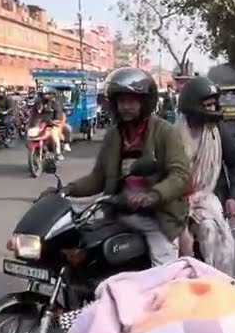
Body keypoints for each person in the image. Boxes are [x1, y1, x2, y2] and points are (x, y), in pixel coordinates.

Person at [62, 67, 191, 265]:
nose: (126, 107)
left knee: (162, 272)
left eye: (132, 101)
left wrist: (153, 195)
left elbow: (180, 175)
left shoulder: (165, 132)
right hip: (119, 212)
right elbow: (98, 178)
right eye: (121, 101)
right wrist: (66, 190)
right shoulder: (113, 135)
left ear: (145, 102)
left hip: (157, 217)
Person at [175, 76, 235, 274]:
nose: (213, 109)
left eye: (214, 104)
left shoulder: (218, 131)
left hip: (211, 199)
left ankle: (218, 281)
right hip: (176, 201)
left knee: (212, 232)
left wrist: (234, 197)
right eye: (207, 105)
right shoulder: (172, 134)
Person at [28, 87, 68, 160]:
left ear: (51, 95)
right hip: (41, 124)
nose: (45, 96)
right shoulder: (38, 104)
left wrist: (55, 121)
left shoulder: (55, 104)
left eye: (47, 94)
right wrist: (30, 123)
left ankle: (58, 153)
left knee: (53, 134)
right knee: (30, 133)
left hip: (53, 124)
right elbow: (33, 115)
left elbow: (59, 116)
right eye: (43, 94)